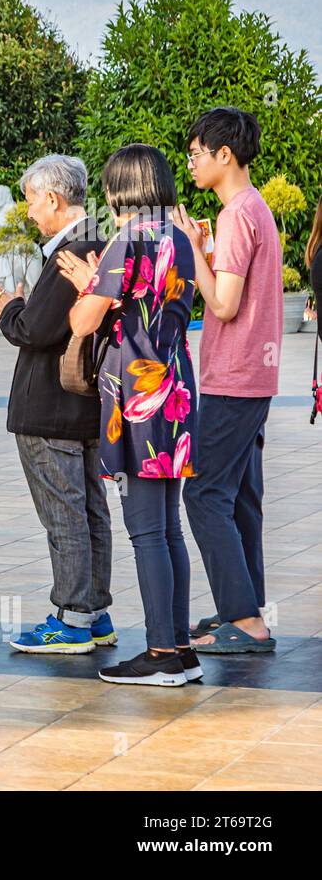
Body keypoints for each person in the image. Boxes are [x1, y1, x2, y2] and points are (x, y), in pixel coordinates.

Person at [57, 144, 201, 686]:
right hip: (176, 390)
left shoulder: (129, 238)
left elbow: (82, 320)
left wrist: (85, 286)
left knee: (145, 530)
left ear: (122, 187)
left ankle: (161, 654)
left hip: (138, 401)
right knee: (169, 528)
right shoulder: (179, 240)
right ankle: (180, 647)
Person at [0, 155, 115, 653]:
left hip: (51, 409)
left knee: (65, 513)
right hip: (83, 408)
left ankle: (74, 617)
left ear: (54, 199)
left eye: (33, 200)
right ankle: (95, 613)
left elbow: (36, 329)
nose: (30, 211)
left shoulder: (69, 254)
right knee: (87, 510)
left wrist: (8, 308)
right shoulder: (95, 246)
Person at [172, 107, 280, 654]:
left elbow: (225, 303)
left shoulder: (239, 213)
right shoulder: (255, 208)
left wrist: (193, 252)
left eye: (196, 153)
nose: (190, 162)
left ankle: (246, 620)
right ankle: (245, 609)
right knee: (240, 499)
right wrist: (207, 248)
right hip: (253, 376)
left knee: (204, 495)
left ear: (224, 155)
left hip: (233, 377)